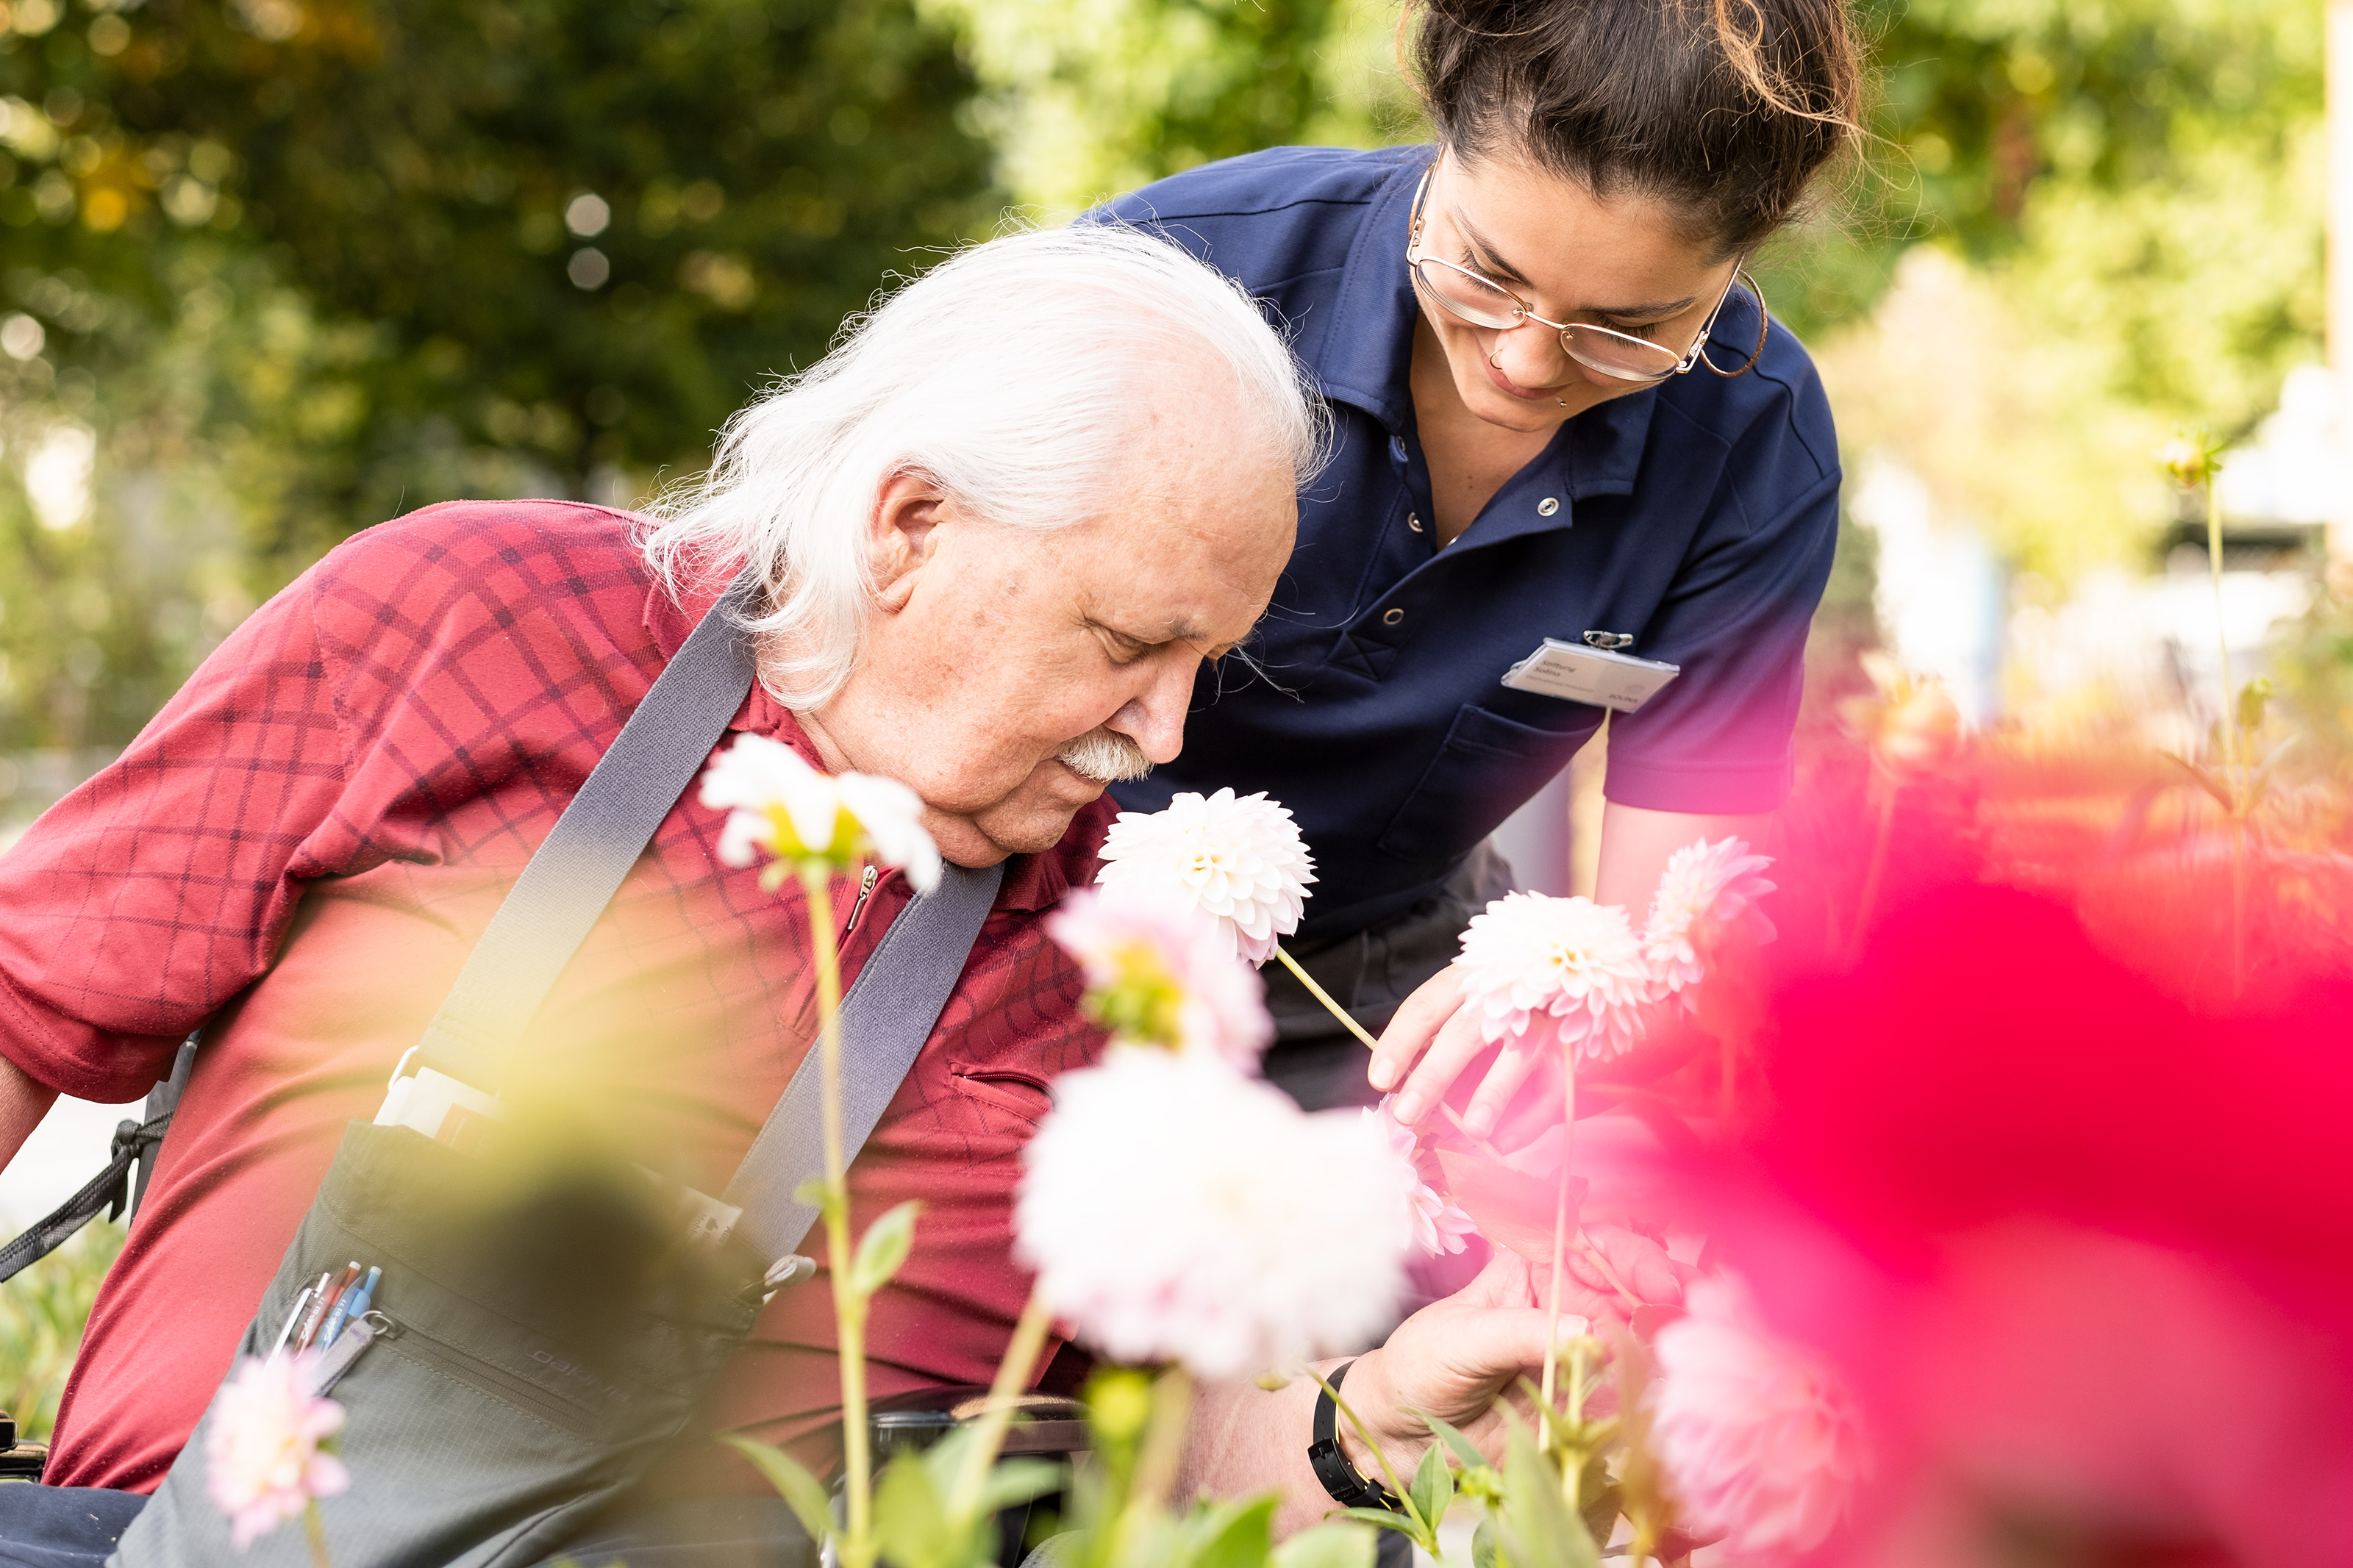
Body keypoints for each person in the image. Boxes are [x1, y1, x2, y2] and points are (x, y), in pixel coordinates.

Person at [0, 224, 1579, 1565]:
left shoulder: (1118, 952)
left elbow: (1154, 1452)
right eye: (1122, 644)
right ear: (909, 527)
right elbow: (23, 1001)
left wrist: (1368, 1406)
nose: (1162, 734)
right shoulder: (472, 614)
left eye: (1201, 667)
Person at [1095, 0, 1865, 1126]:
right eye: (1485, 273)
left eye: (1626, 328)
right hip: (1037, 923)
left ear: (1742, 258)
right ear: (1440, 128)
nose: (1521, 362)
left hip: (1390, 992)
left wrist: (1570, 1000)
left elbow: (1675, 924)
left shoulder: (1755, 447)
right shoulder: (1175, 274)